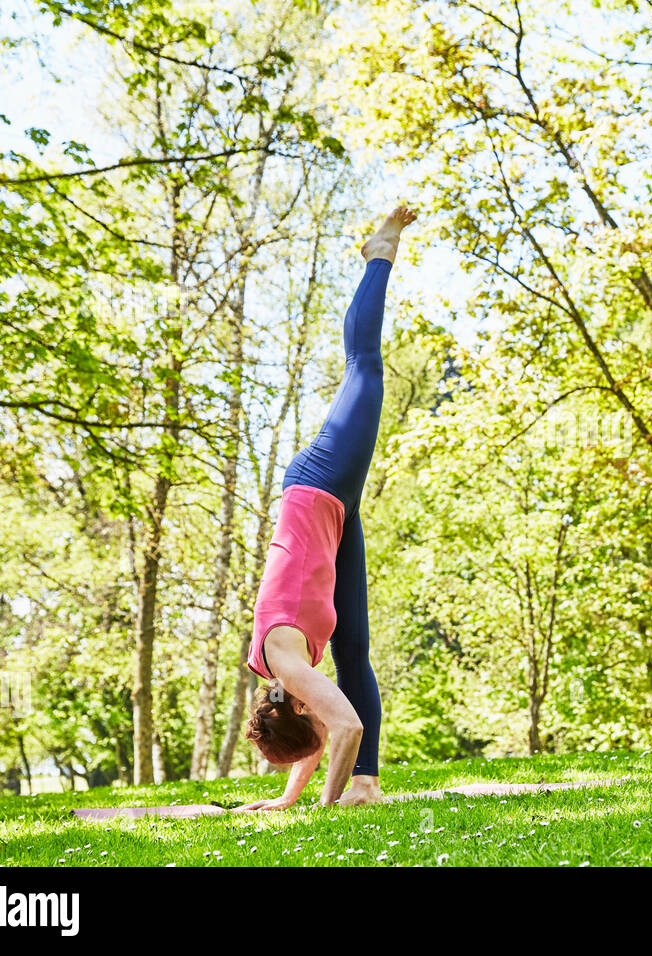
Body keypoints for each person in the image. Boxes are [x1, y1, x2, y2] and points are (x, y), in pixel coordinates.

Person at [234, 205, 417, 811]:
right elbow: (318, 737)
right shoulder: (286, 678)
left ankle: (378, 256)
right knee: (355, 652)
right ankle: (366, 783)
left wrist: (322, 808)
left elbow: (345, 727)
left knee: (364, 368)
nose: (319, 714)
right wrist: (287, 801)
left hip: (318, 486)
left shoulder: (287, 664)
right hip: (335, 521)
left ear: (296, 707)